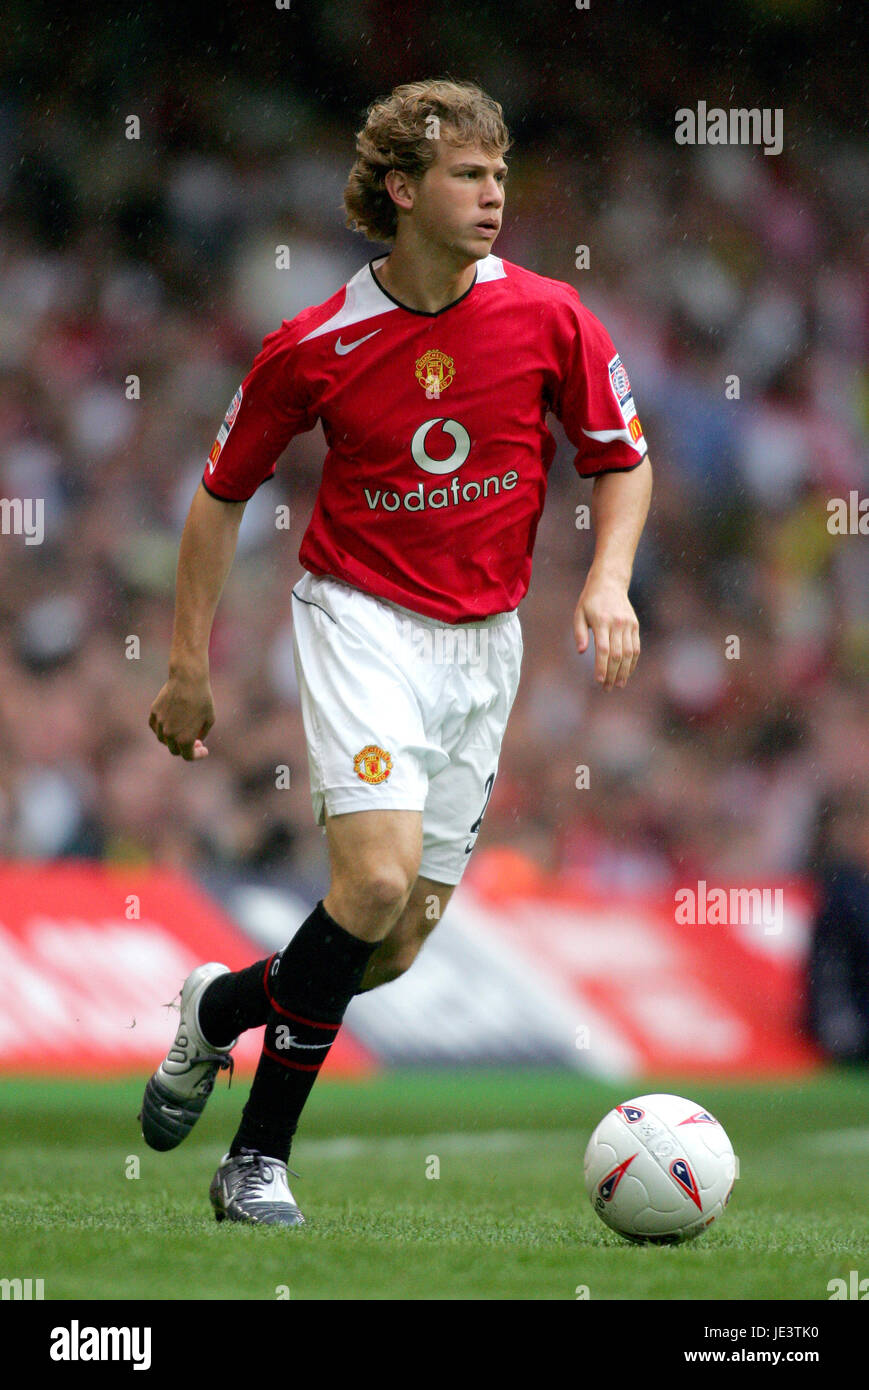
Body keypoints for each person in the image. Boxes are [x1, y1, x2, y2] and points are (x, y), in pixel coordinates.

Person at [142, 78, 653, 1226]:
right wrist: (187, 664)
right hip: (360, 619)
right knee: (369, 882)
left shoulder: (551, 317)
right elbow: (220, 494)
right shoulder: (312, 344)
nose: (492, 197)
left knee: (390, 948)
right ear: (402, 190)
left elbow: (621, 457)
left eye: (501, 177)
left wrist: (610, 580)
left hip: (485, 645)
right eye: (469, 177)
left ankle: (216, 1011)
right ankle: (255, 1162)